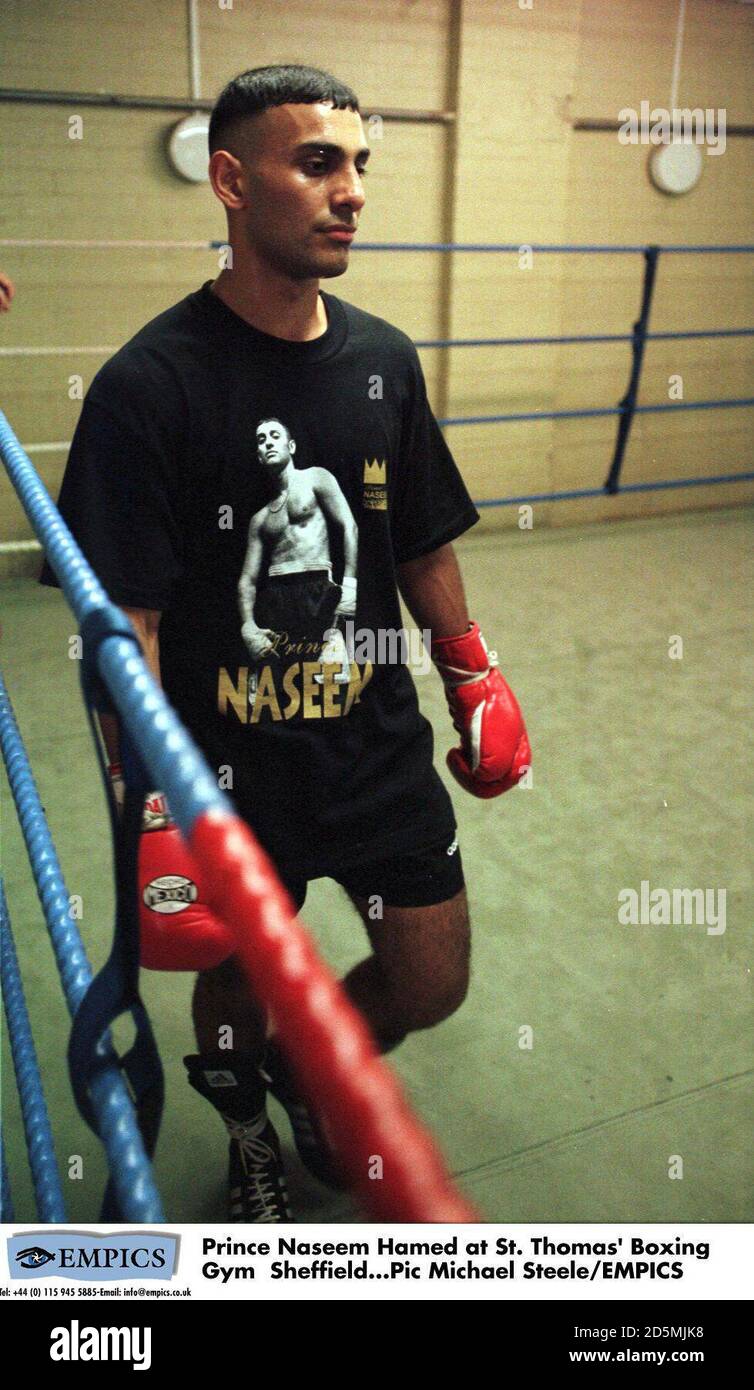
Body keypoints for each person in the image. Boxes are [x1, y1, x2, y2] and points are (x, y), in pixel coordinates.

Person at [40, 64, 530, 1222]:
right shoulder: (146, 387)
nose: (351, 191)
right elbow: (130, 628)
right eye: (317, 163)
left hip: (373, 748)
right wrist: (153, 803)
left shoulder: (383, 360)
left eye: (360, 165)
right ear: (228, 180)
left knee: (431, 979)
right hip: (226, 768)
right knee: (236, 978)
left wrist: (471, 668)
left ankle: (310, 1069)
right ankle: (249, 1128)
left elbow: (416, 543)